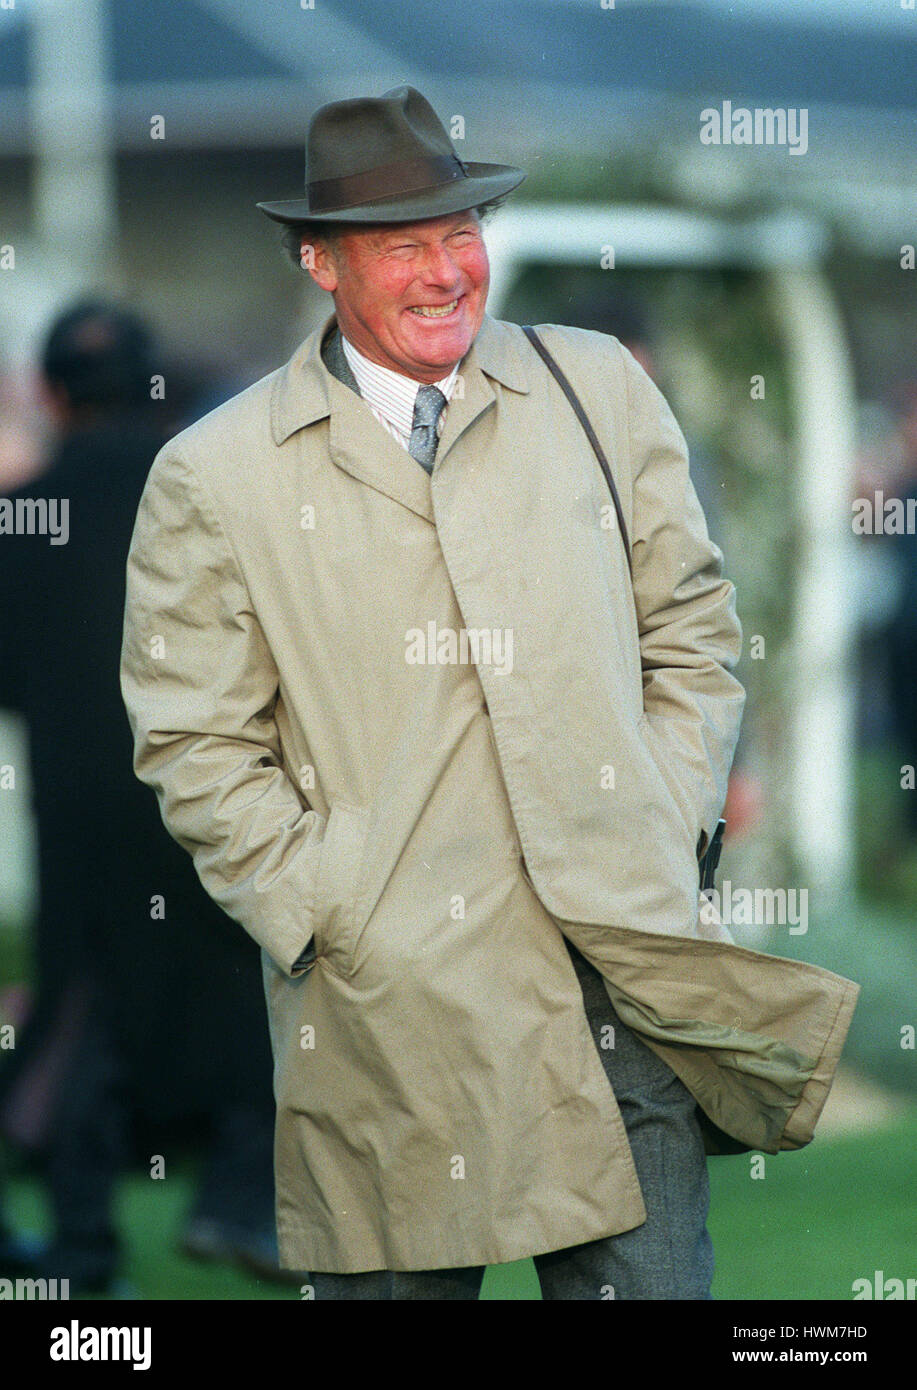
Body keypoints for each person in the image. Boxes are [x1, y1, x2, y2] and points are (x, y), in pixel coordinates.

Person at [120, 86, 859, 1300]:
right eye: (401, 244)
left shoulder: (597, 387)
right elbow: (193, 741)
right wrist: (329, 909)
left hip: (618, 982)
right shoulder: (214, 472)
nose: (444, 270)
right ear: (319, 262)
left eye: (458, 233)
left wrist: (656, 822)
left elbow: (690, 630)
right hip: (387, 1021)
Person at [0, 300, 280, 1293]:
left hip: (76, 825)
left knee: (85, 1021)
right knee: (258, 985)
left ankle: (81, 1251)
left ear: (49, 392)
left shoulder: (18, 523)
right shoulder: (212, 501)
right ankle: (242, 1196)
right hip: (206, 793)